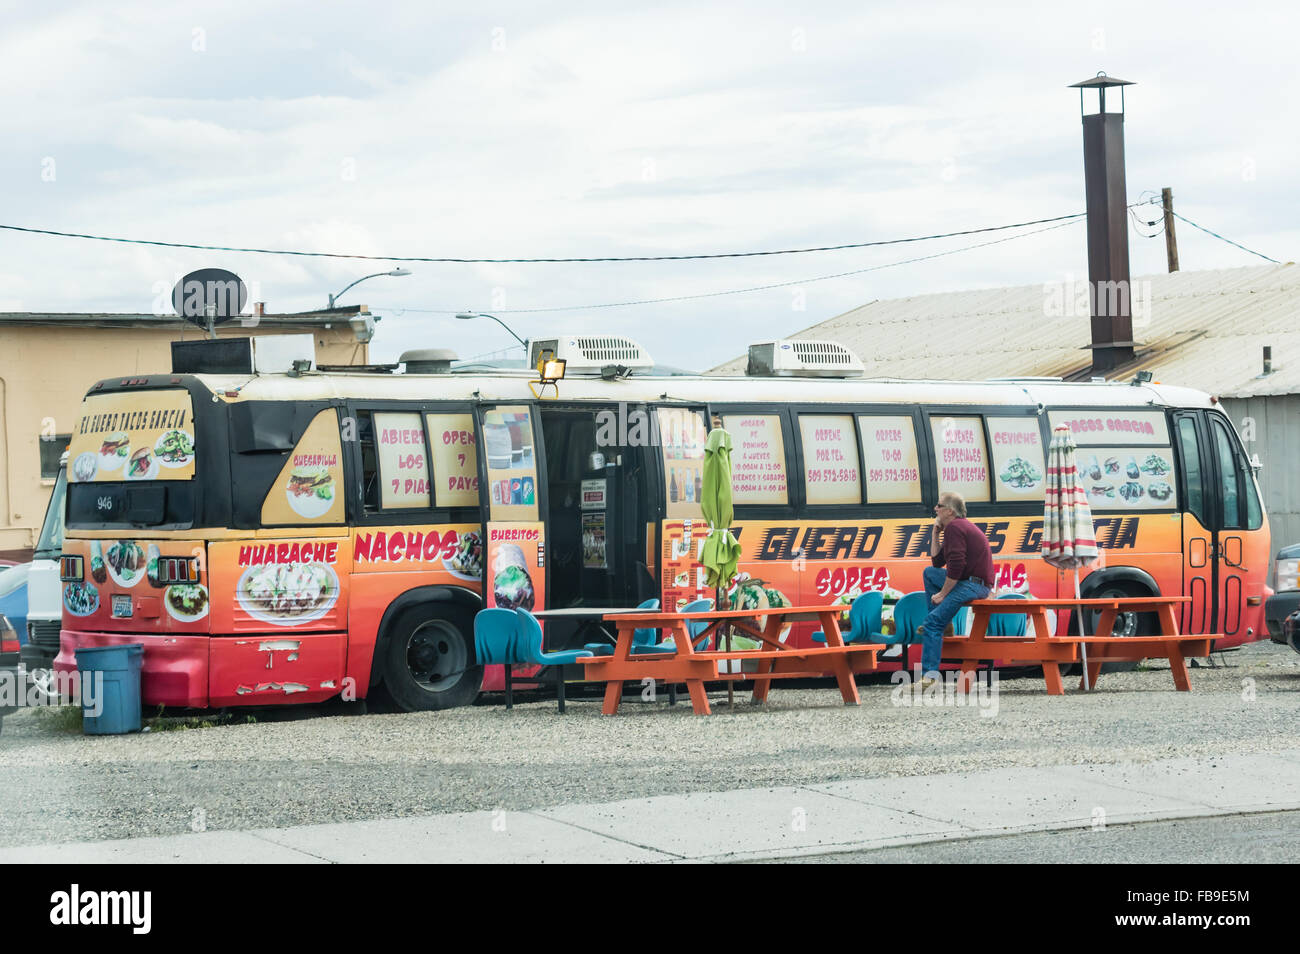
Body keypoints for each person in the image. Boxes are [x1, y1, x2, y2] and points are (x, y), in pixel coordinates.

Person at [917, 491, 993, 687]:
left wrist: (942, 594)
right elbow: (936, 562)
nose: (935, 509)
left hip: (974, 584)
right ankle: (946, 626)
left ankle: (929, 678)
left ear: (950, 511)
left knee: (933, 622)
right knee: (929, 573)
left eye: (939, 505)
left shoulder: (956, 528)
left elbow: (957, 567)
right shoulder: (954, 528)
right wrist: (935, 533)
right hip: (969, 582)